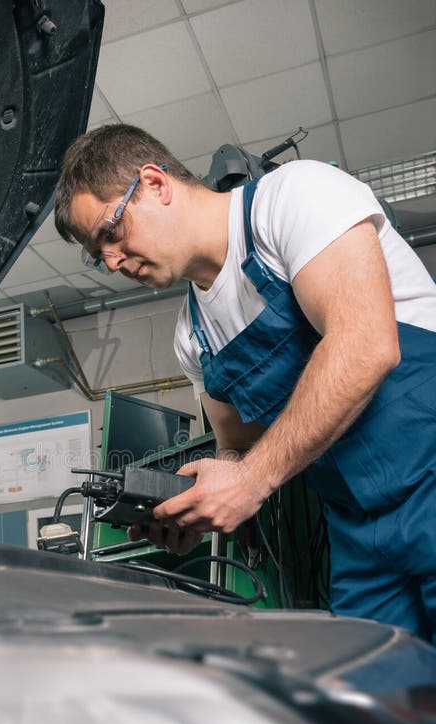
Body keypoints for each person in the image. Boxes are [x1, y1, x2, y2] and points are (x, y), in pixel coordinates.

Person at [54, 124, 436, 642]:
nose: (113, 261)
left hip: (430, 482)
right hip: (359, 531)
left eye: (110, 232)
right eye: (98, 254)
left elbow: (366, 343)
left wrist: (253, 480)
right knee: (372, 707)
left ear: (156, 184)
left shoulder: (292, 199)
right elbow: (239, 446)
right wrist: (200, 506)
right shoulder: (194, 336)